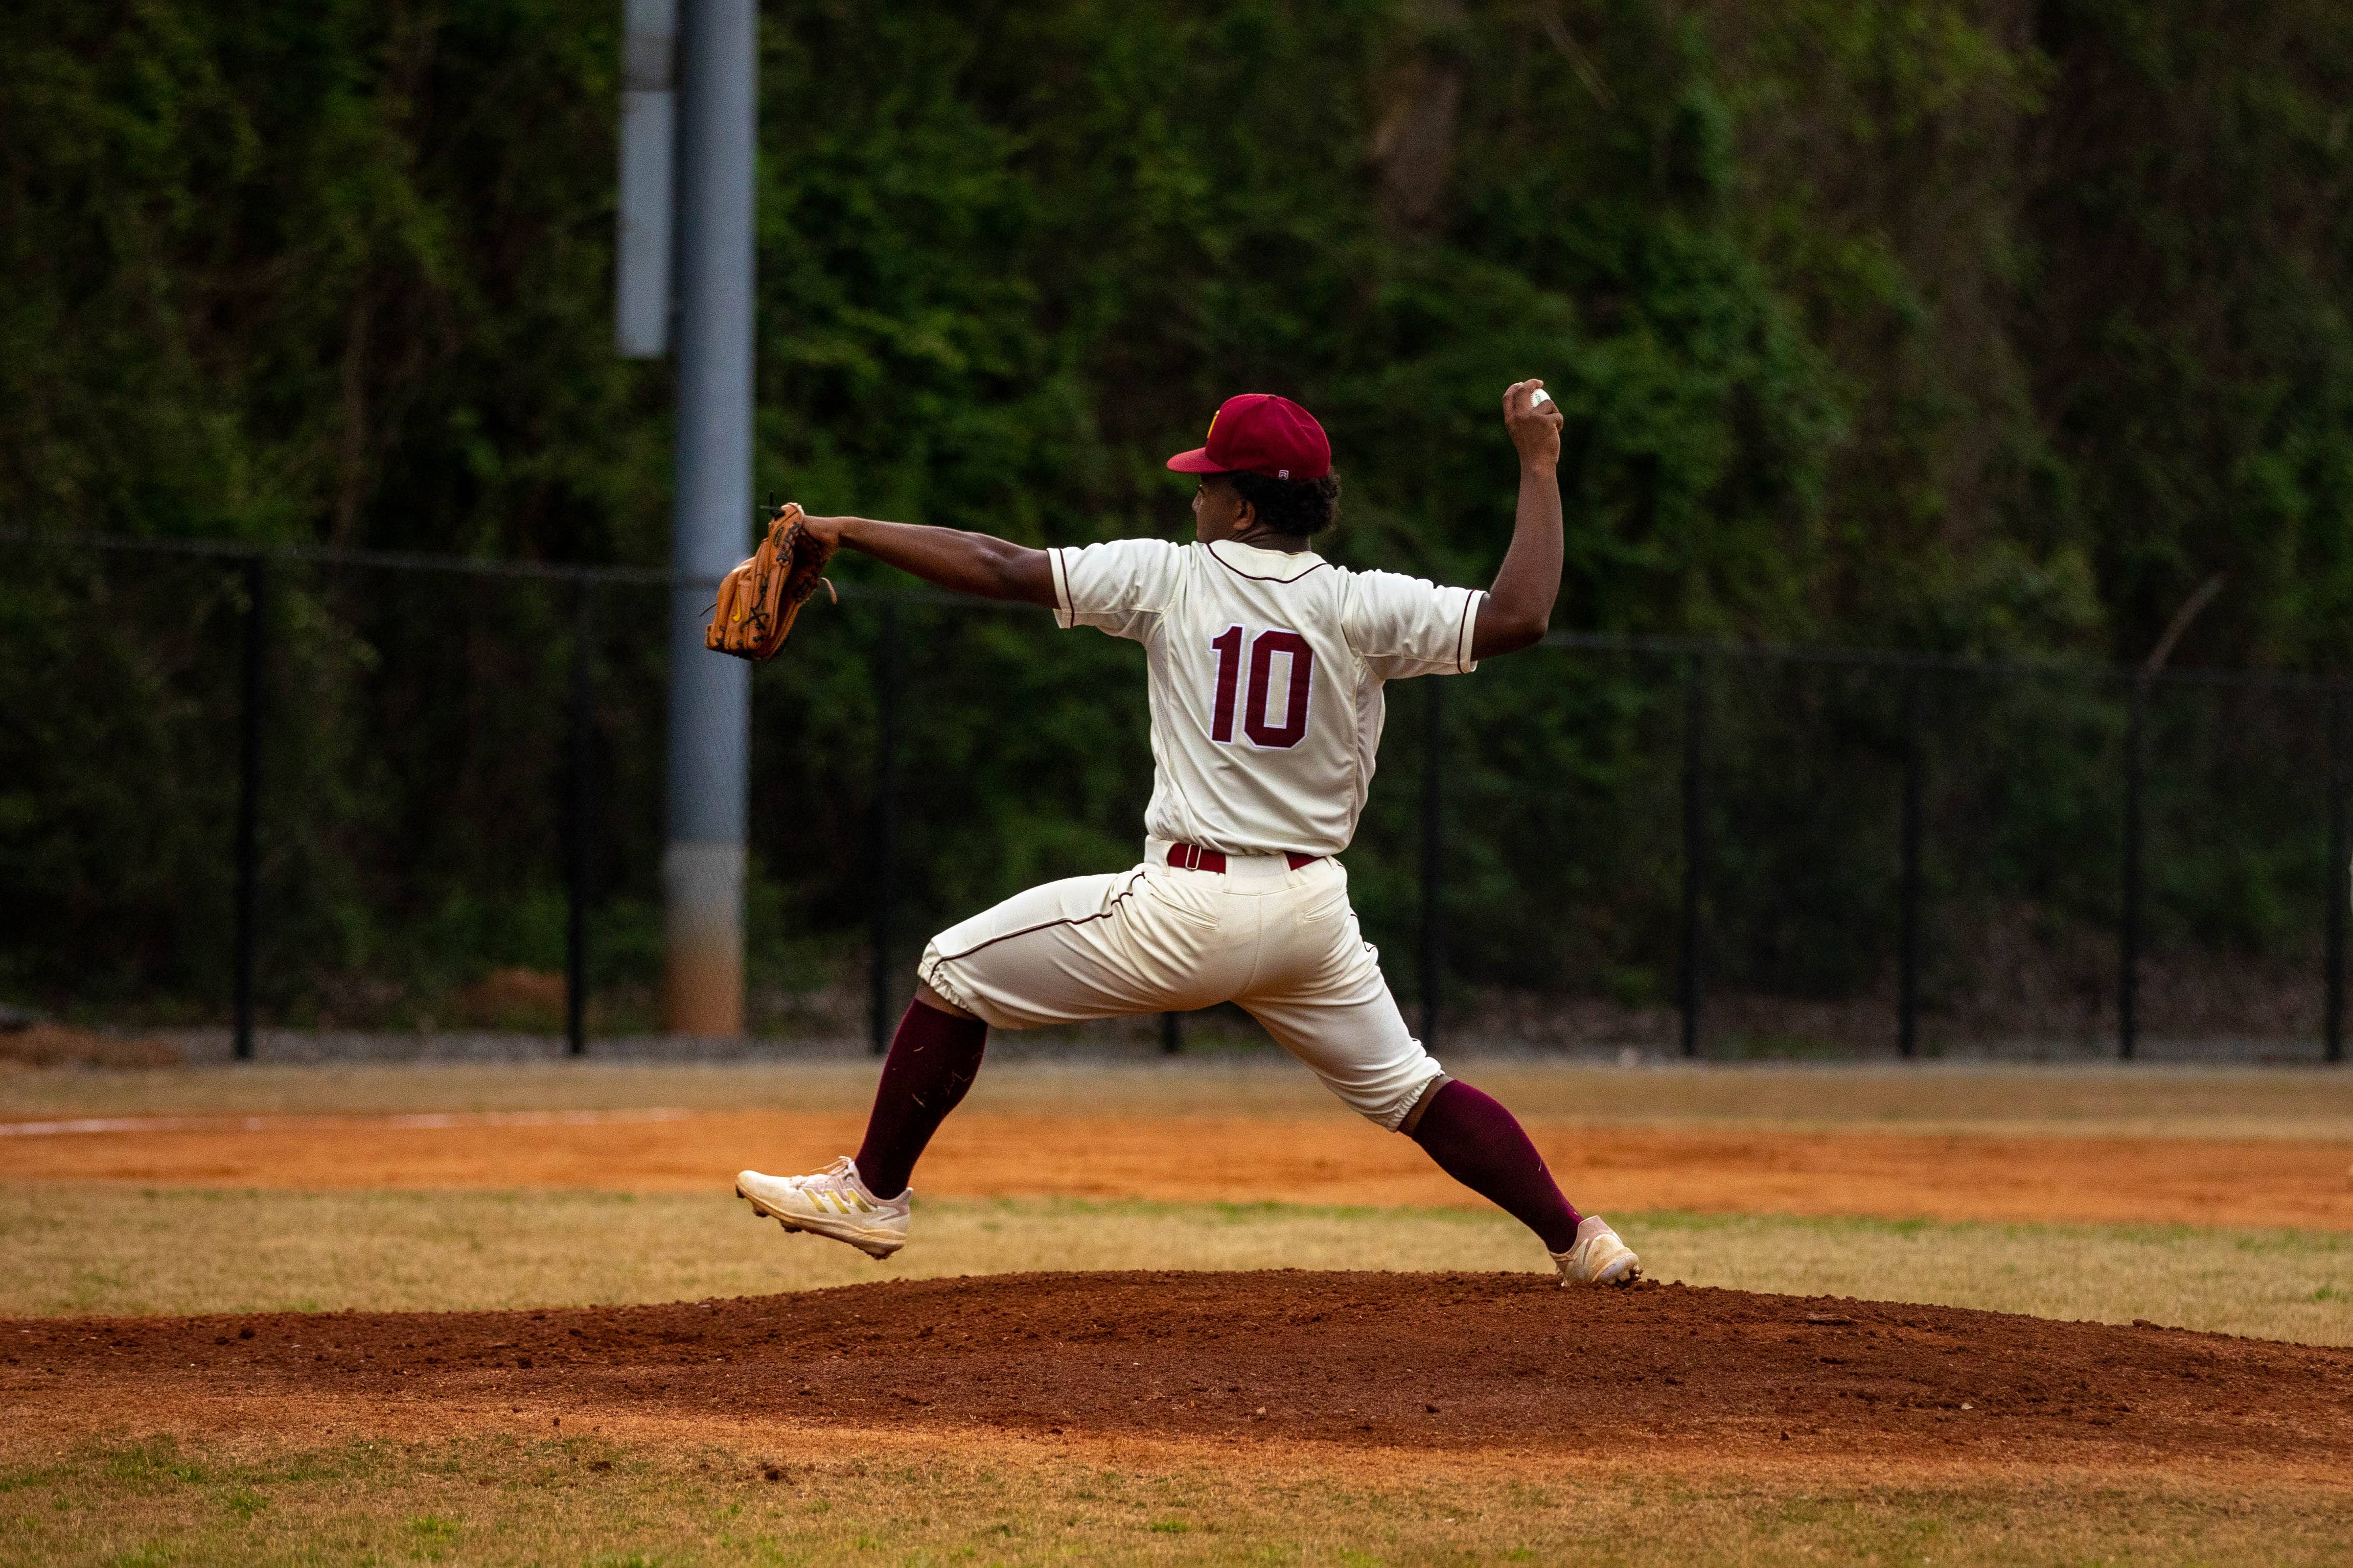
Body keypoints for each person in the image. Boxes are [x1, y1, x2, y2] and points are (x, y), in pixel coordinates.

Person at [734, 382, 1641, 1288]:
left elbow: (1002, 565)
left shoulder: (1170, 576)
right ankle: (1579, 1238)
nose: (1193, 496)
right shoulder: (1362, 604)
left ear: (1242, 508)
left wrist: (847, 528)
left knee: (950, 970)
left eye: (1207, 484)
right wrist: (1538, 461)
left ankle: (875, 1192)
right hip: (1310, 916)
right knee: (1413, 1091)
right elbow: (1521, 614)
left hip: (1187, 907)